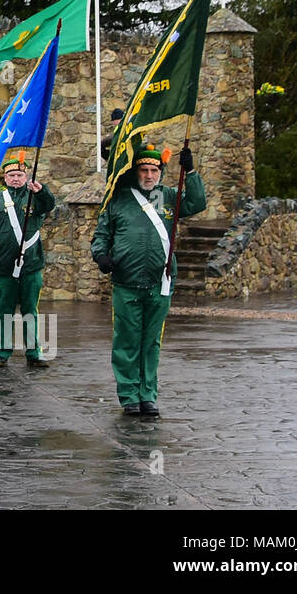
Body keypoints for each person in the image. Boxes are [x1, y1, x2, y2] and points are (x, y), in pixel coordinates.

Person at [91, 144, 206, 416]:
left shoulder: (168, 196)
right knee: (127, 341)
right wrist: (101, 257)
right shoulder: (118, 198)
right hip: (126, 281)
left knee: (151, 341)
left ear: (161, 172)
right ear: (136, 171)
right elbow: (101, 235)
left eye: (154, 170)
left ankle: (148, 394)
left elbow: (197, 203)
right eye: (144, 169)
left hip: (160, 281)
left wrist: (190, 171)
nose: (149, 175)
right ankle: (129, 394)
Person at [0, 152, 54, 368]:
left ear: (27, 176)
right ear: (5, 178)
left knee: (30, 309)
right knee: (4, 310)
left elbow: (49, 205)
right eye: (11, 175)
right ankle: (1, 351)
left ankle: (33, 352)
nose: (16, 178)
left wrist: (42, 191)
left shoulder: (35, 197)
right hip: (2, 264)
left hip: (31, 263)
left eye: (19, 174)